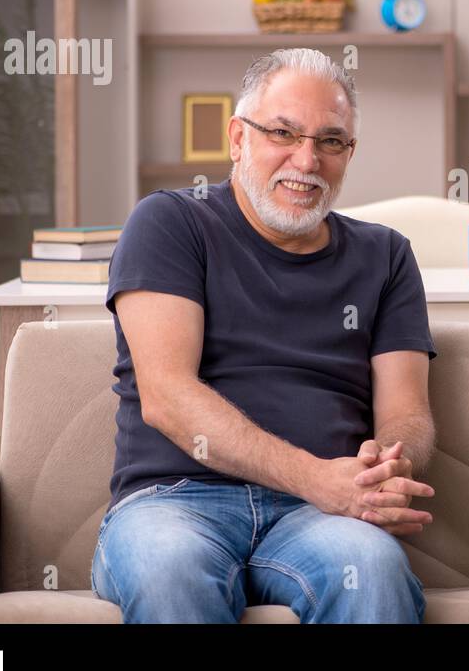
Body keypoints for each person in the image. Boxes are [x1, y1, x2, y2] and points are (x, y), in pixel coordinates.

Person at [91, 48, 436, 623]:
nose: (307, 160)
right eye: (283, 132)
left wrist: (389, 464)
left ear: (349, 153)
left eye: (330, 141)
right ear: (237, 138)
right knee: (169, 571)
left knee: (372, 570)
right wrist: (317, 477)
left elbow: (409, 412)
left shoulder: (387, 254)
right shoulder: (170, 223)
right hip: (173, 502)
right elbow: (168, 397)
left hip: (320, 517)